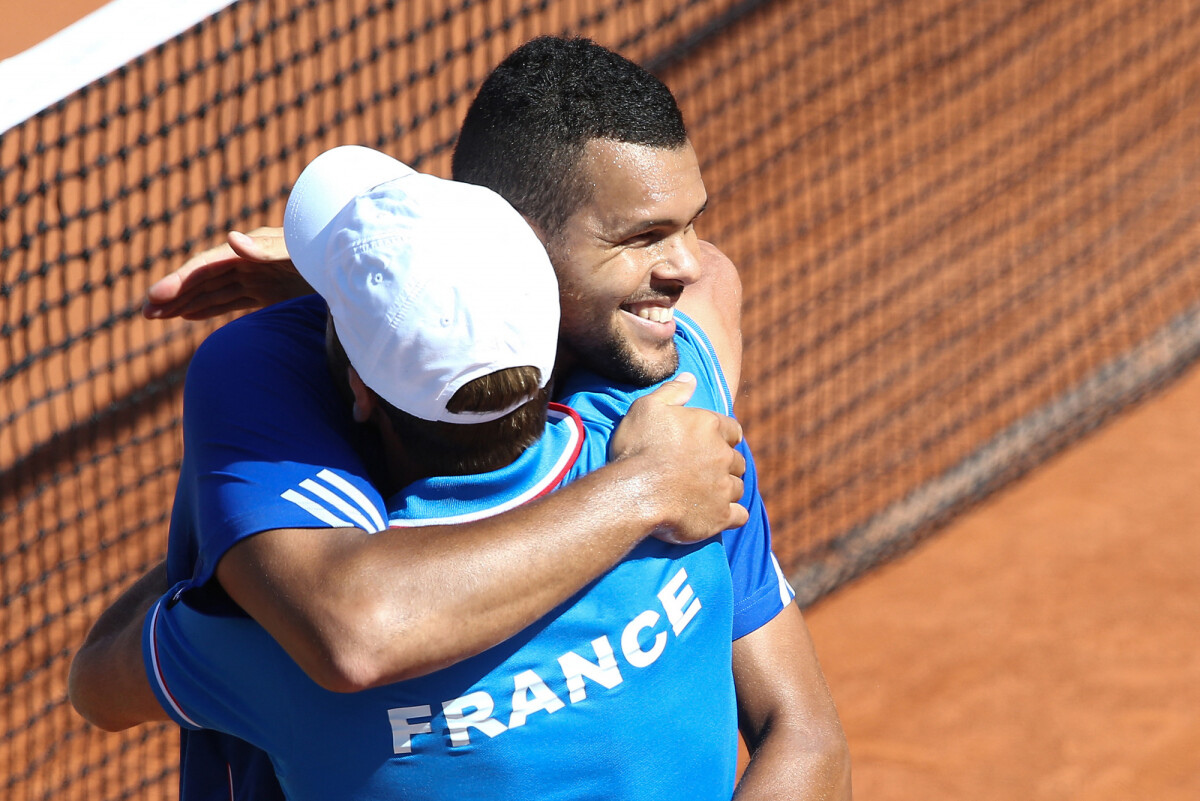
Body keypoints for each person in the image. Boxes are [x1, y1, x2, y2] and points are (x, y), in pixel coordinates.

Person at [72, 36, 851, 799]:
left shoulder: (272, 642)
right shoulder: (683, 426)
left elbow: (100, 678)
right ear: (540, 296)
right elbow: (808, 739)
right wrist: (643, 488)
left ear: (360, 389)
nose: (682, 262)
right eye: (643, 237)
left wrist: (245, 550)